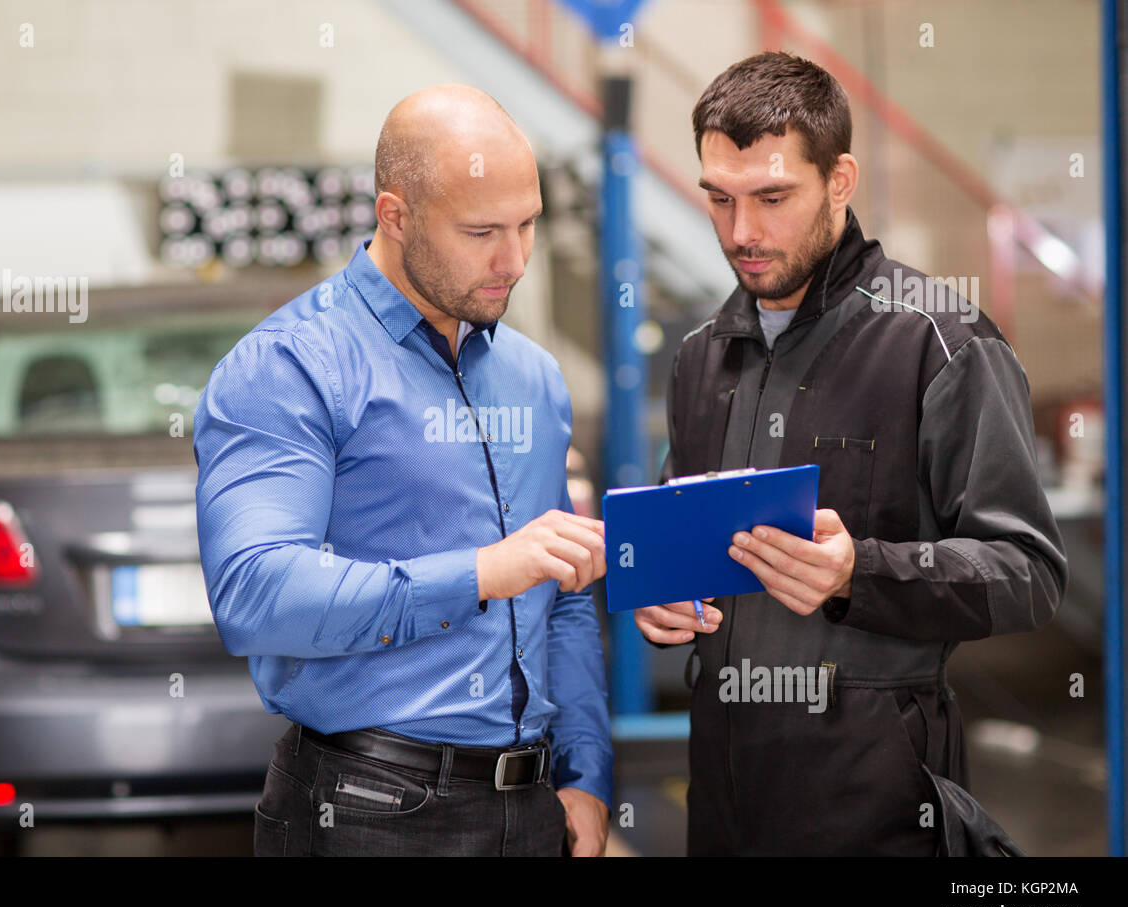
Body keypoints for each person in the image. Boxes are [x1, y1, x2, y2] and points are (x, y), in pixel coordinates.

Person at [635, 52, 1067, 855]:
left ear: (840, 180)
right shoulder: (701, 357)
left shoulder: (939, 341)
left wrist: (858, 571)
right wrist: (663, 604)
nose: (741, 233)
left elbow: (1029, 574)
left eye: (772, 198)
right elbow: (683, 542)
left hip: (879, 801)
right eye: (718, 200)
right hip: (724, 798)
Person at [194, 84, 612, 857]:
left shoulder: (535, 378)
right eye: (481, 231)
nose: (513, 261)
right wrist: (479, 572)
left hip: (532, 810)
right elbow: (255, 593)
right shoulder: (291, 367)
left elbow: (566, 592)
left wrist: (586, 773)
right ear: (395, 215)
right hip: (365, 812)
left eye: (528, 226)